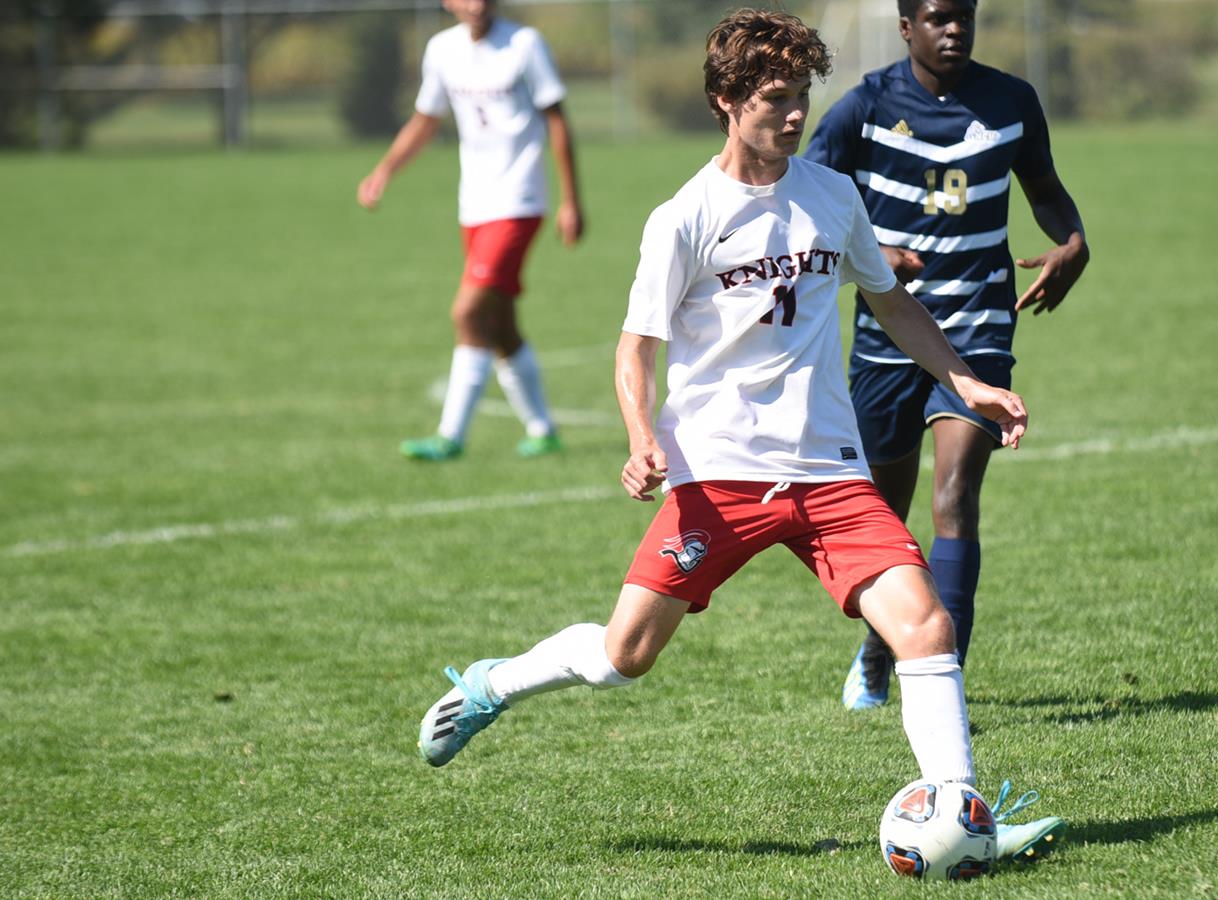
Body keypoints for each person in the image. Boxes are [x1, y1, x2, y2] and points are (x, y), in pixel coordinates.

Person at [414, 8, 1066, 866]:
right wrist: (643, 437)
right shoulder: (684, 216)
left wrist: (967, 381)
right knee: (625, 655)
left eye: (801, 96)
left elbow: (891, 302)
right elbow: (634, 346)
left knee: (926, 627)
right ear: (725, 101)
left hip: (831, 474)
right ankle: (495, 682)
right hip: (717, 476)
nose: (794, 115)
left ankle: (964, 815)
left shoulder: (833, 196)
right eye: (773, 99)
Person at [803, 0, 1090, 709]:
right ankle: (878, 648)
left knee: (955, 496)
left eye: (963, 15)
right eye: (937, 17)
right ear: (906, 28)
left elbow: (1047, 192)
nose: (953, 28)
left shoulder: (1012, 101)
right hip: (888, 338)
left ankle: (943, 681)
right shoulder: (864, 108)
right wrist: (874, 252)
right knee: (885, 516)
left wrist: (1074, 241)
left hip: (980, 329)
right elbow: (805, 199)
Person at [358, 0, 583, 461]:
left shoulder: (524, 44)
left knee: (467, 312)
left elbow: (557, 120)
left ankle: (450, 436)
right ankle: (542, 429)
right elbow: (426, 118)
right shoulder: (441, 49)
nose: (476, 4)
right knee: (498, 322)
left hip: (520, 200)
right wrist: (384, 171)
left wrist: (570, 200)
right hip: (473, 205)